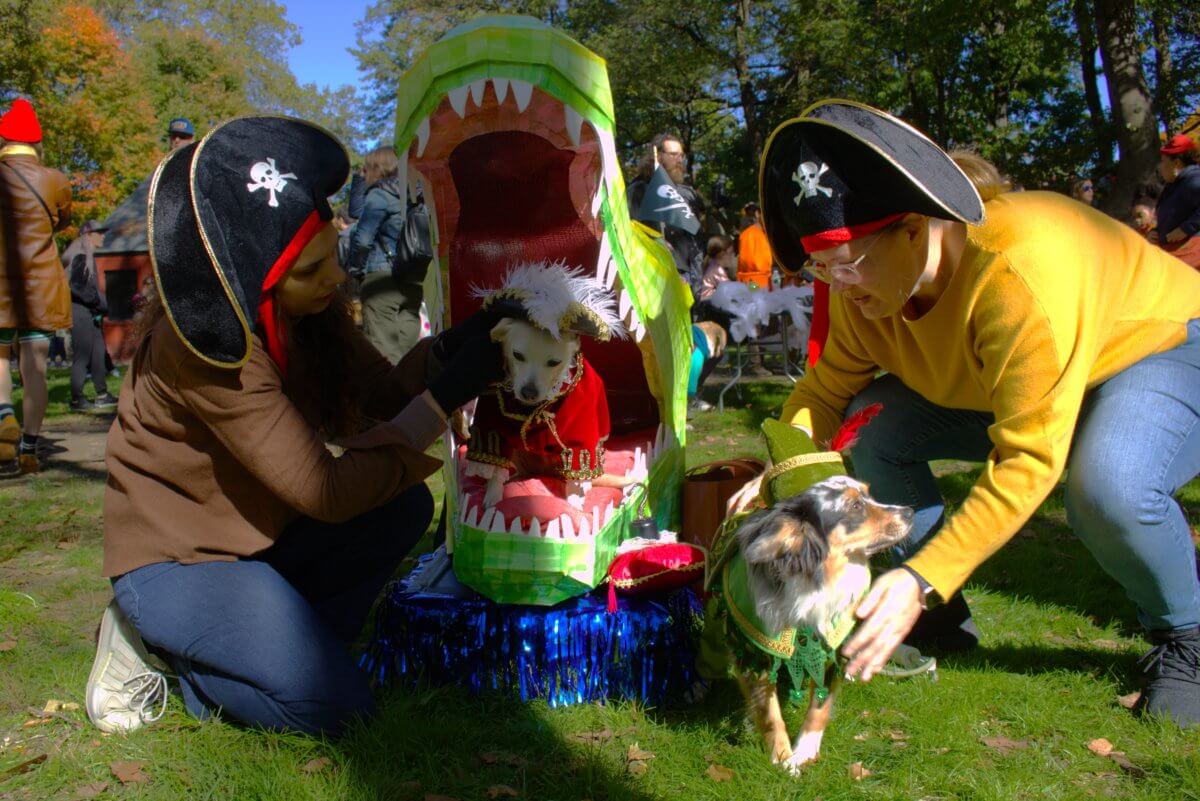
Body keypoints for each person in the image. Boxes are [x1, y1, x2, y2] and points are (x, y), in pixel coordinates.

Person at [733, 100, 1200, 727]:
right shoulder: (860, 286)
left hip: (1157, 344)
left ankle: (1186, 638)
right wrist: (783, 475)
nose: (837, 287)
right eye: (822, 268)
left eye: (848, 264)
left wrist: (925, 573)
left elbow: (1030, 456)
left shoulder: (1016, 272)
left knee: (1108, 485)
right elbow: (823, 394)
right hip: (1018, 383)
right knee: (869, 424)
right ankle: (939, 617)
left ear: (913, 230)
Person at [86, 116, 502, 737]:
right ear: (253, 283)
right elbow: (324, 490)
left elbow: (384, 397)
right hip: (184, 560)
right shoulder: (206, 348)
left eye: (331, 256)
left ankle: (279, 648)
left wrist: (450, 348)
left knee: (402, 506)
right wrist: (443, 399)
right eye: (310, 273)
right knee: (336, 710)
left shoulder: (309, 314)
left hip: (263, 538)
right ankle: (171, 660)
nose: (336, 279)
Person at [0, 98, 73, 473]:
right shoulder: (55, 180)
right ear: (35, 142)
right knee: (36, 370)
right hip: (41, 286)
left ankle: (4, 416)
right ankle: (28, 450)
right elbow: (62, 221)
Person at [349, 146, 422, 363]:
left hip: (381, 275)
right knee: (408, 347)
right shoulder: (417, 193)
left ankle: (392, 395)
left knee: (383, 349)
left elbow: (362, 238)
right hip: (413, 275)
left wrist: (356, 269)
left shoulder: (380, 194)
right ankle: (411, 393)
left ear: (375, 168)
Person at [627, 134, 706, 298]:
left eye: (681, 155)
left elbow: (695, 243)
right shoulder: (638, 191)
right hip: (654, 280)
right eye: (673, 154)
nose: (679, 160)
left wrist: (696, 283)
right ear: (658, 156)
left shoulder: (686, 194)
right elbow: (632, 235)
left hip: (686, 281)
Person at [65, 220, 117, 411]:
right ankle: (77, 399)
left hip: (90, 312)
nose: (103, 235)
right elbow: (77, 288)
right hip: (80, 312)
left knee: (98, 353)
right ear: (88, 235)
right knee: (83, 356)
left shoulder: (87, 255)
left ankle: (102, 394)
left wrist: (100, 305)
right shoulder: (79, 256)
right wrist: (99, 303)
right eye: (99, 232)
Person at [1154, 133, 1200, 269]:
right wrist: (1156, 232)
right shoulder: (1174, 185)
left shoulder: (1194, 180)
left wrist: (1185, 229)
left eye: (1163, 161)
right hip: (1175, 250)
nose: (1160, 167)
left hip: (1192, 252)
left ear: (1177, 163)